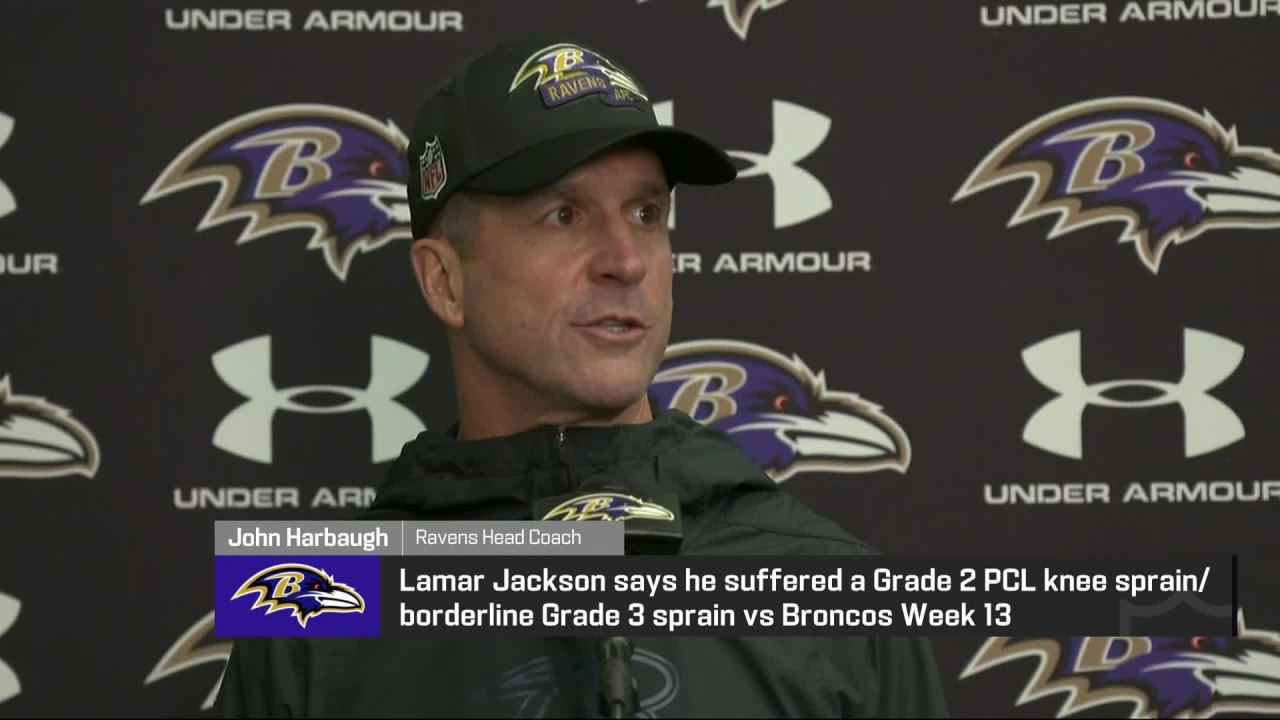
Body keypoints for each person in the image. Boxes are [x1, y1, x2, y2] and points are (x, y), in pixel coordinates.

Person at [215, 38, 949, 718]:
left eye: (646, 212)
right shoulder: (305, 614)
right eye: (564, 214)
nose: (624, 260)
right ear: (444, 281)